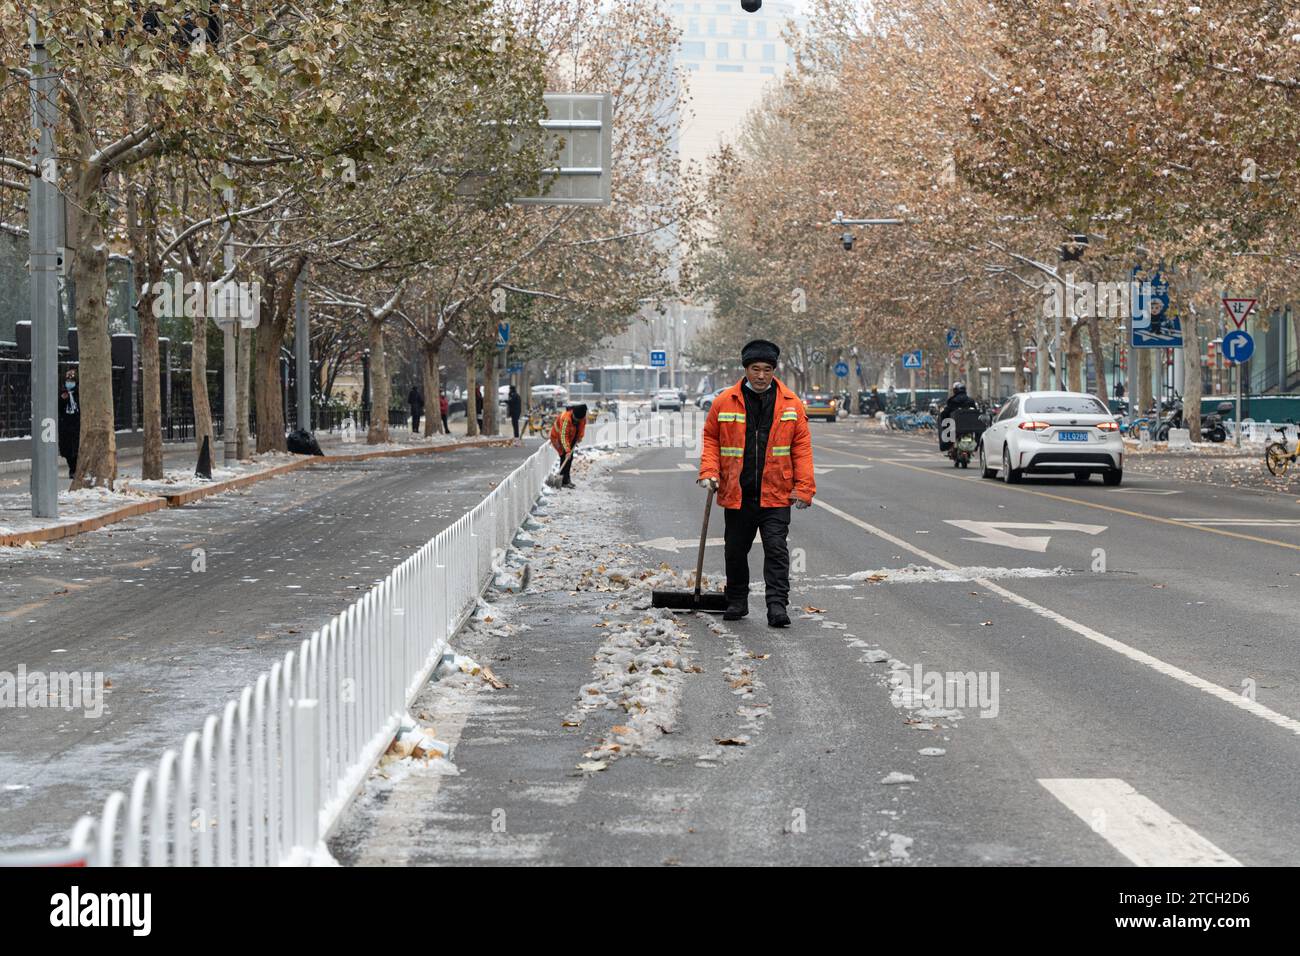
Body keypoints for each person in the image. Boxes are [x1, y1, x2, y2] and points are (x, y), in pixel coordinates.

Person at [698, 339, 815, 628]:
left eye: (767, 369)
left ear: (774, 371)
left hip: (776, 493)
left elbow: (801, 447)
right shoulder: (725, 401)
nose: (761, 376)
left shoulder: (791, 404)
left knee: (776, 549)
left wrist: (804, 487)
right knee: (735, 550)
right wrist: (709, 471)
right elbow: (711, 439)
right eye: (755, 369)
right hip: (739, 492)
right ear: (745, 369)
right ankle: (737, 600)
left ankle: (777, 606)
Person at [549, 403, 587, 488]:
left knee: (570, 458)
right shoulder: (565, 419)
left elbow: (582, 427)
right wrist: (567, 450)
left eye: (578, 420)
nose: (577, 421)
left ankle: (566, 479)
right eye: (575, 419)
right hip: (557, 437)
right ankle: (563, 480)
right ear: (573, 413)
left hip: (571, 437)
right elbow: (563, 436)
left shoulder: (582, 418)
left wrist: (580, 436)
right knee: (564, 456)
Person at [938, 381, 977, 452]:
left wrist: (945, 426)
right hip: (970, 425)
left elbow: (946, 412)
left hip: (955, 426)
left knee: (943, 415)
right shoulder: (971, 400)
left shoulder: (952, 400)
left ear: (955, 390)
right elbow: (975, 412)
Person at [58, 367, 80, 482]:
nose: (69, 384)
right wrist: (62, 400)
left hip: (76, 425)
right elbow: (59, 409)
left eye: (72, 382)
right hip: (65, 426)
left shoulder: (78, 394)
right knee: (66, 450)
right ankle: (71, 467)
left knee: (76, 449)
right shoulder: (62, 394)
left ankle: (75, 469)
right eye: (68, 381)